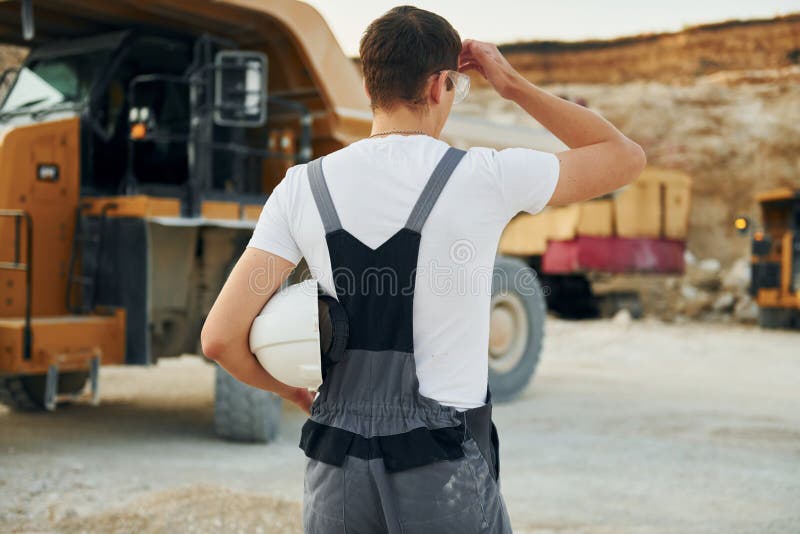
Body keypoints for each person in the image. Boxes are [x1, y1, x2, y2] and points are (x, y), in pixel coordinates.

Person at [201, 5, 646, 533]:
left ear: (370, 86)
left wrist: (296, 394)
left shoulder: (302, 187)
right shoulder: (484, 176)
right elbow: (623, 156)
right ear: (439, 87)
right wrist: (512, 85)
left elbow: (221, 339)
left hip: (335, 463)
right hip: (439, 467)